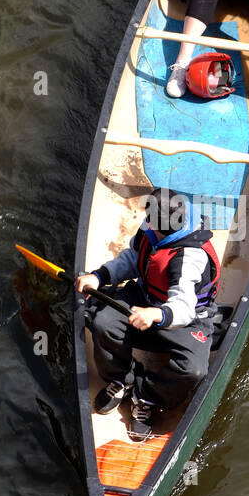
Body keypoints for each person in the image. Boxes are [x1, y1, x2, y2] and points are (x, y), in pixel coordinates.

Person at [75, 189, 221, 442]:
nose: (147, 222)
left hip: (183, 318)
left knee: (194, 370)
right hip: (145, 298)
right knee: (101, 320)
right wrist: (99, 276)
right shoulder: (153, 226)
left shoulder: (189, 257)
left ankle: (147, 396)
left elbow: (184, 307)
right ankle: (121, 380)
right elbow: (134, 258)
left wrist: (156, 314)